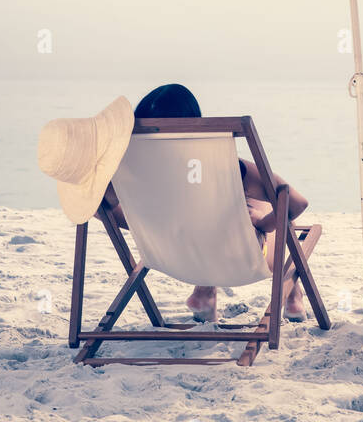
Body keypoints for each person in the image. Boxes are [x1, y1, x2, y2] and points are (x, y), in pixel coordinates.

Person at [97, 83, 309, 323]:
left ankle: (204, 292)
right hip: (235, 260)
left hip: (170, 257)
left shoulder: (129, 172)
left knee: (199, 221)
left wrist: (144, 226)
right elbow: (296, 203)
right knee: (270, 208)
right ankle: (293, 295)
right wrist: (263, 222)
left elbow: (101, 209)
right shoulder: (226, 166)